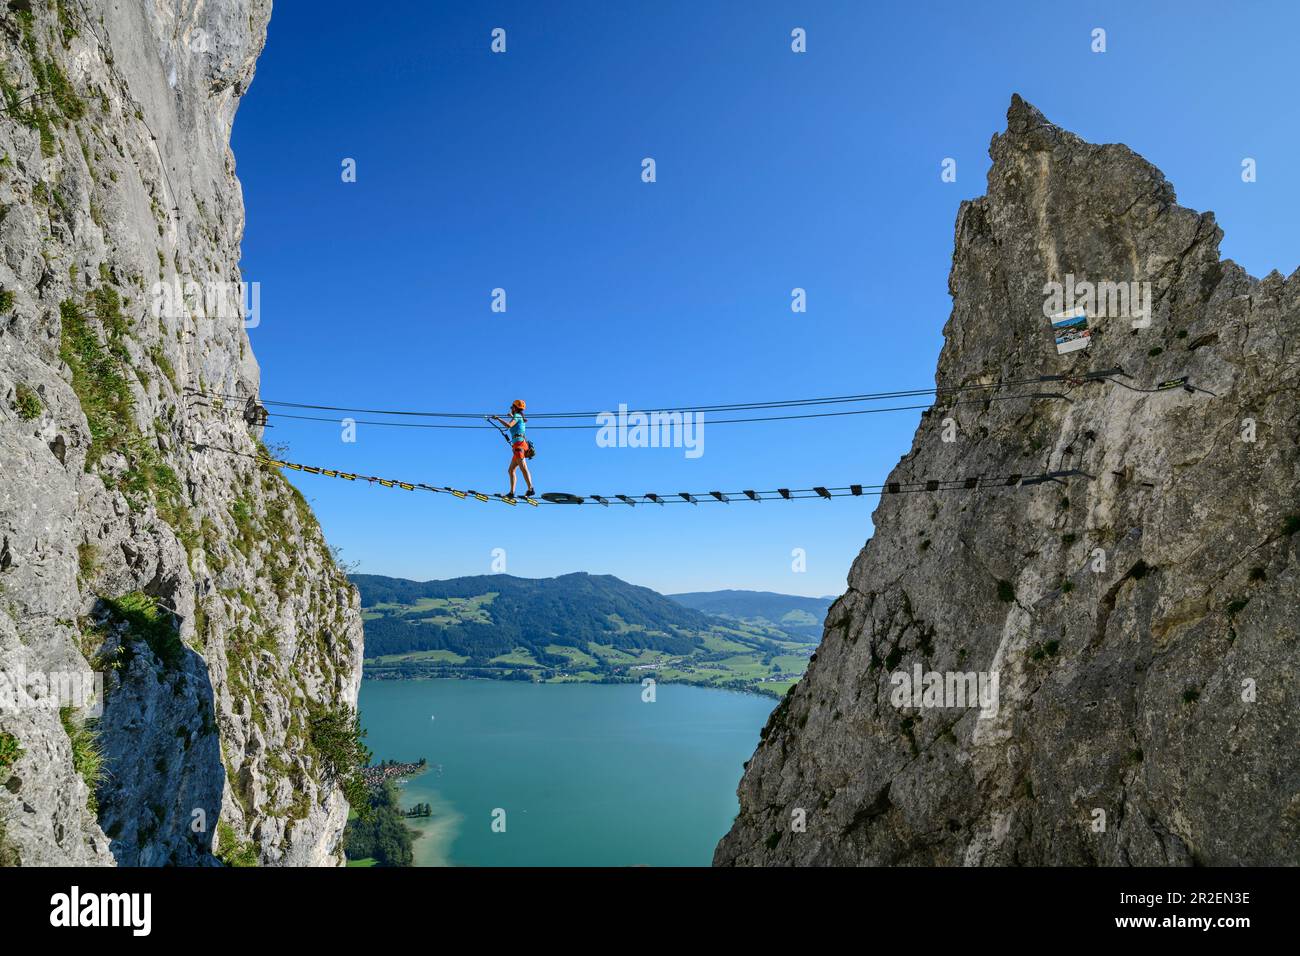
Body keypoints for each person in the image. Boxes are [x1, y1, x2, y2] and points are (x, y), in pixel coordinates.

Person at [492, 399, 535, 499]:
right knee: (511, 470)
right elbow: (516, 425)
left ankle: (530, 489)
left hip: (519, 445)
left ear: (515, 408)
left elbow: (509, 425)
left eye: (512, 407)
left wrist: (498, 419)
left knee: (523, 467)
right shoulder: (518, 417)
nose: (511, 409)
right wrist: (511, 416)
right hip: (517, 446)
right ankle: (512, 492)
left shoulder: (517, 416)